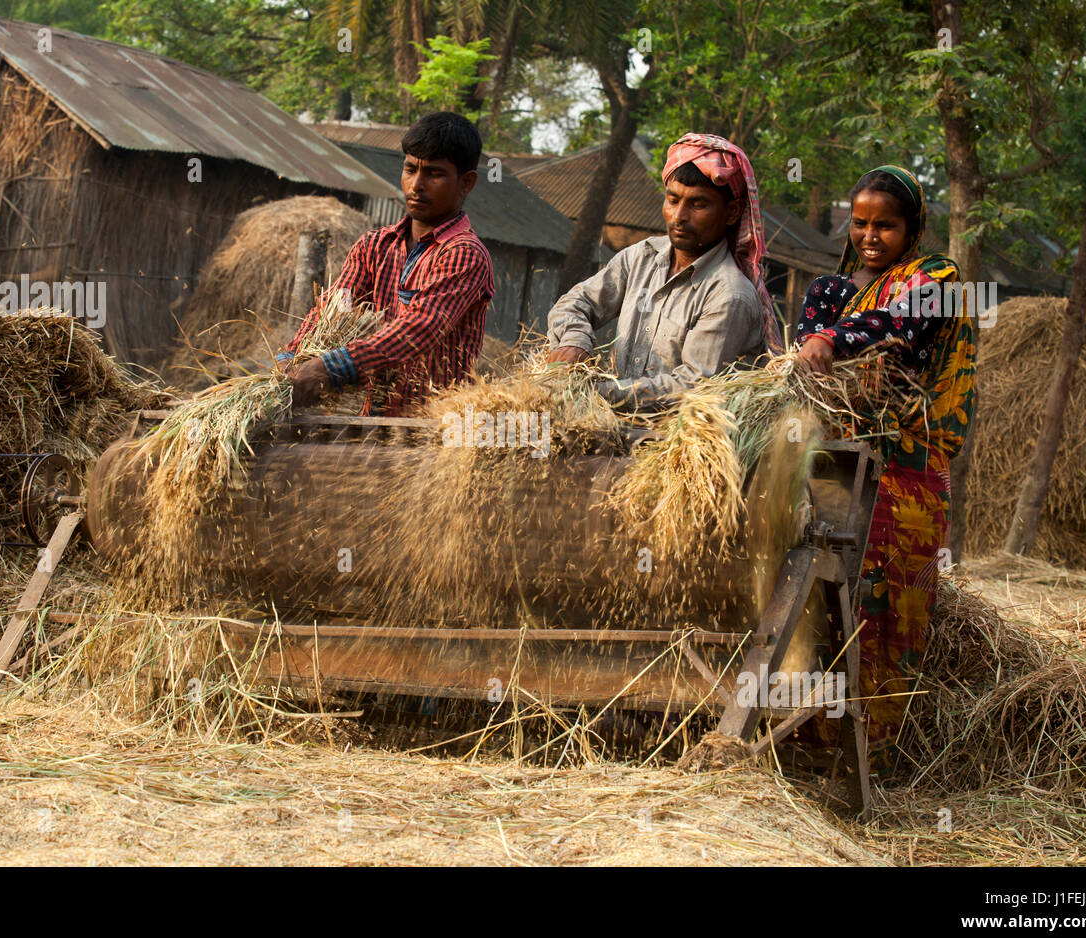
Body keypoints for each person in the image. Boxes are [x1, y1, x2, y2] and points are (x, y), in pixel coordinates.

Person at [794, 164, 976, 773]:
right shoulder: (831, 290)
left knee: (884, 607)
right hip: (834, 465)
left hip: (906, 473)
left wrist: (832, 343)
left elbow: (897, 323)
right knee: (820, 595)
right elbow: (806, 359)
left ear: (913, 226)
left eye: (886, 225)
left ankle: (870, 751)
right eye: (860, 222)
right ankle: (808, 737)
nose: (869, 236)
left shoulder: (937, 278)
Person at [278, 112, 494, 415]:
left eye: (434, 174)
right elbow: (334, 309)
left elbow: (417, 329)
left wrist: (331, 368)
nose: (416, 185)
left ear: (466, 183)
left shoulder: (464, 254)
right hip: (372, 422)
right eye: (410, 169)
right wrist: (291, 357)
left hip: (430, 428)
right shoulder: (374, 246)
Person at [544, 133, 782, 408]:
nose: (679, 216)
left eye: (698, 204)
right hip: (606, 423)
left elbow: (692, 387)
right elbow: (576, 302)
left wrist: (596, 394)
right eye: (673, 199)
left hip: (669, 441)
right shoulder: (641, 257)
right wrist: (575, 342)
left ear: (731, 212)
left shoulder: (730, 295)